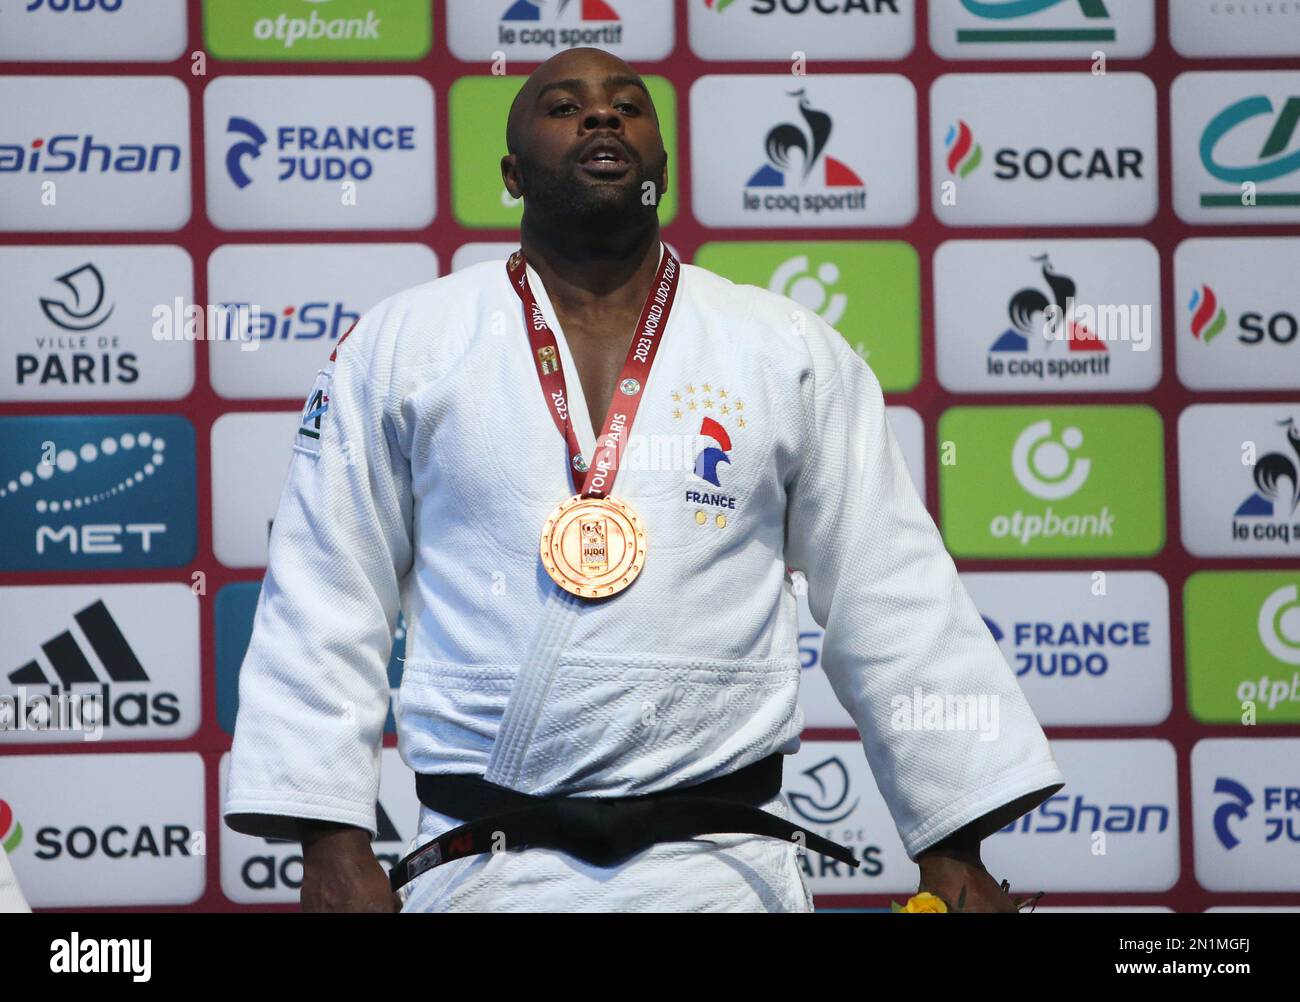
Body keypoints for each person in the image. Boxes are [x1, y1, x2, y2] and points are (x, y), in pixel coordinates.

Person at [223, 47, 1064, 913]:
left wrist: (953, 840)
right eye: (564, 106)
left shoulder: (783, 349)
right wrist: (330, 837)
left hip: (722, 871)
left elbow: (891, 590)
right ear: (511, 172)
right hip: (487, 871)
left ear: (662, 165)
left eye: (627, 105)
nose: (601, 117)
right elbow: (327, 591)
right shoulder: (405, 346)